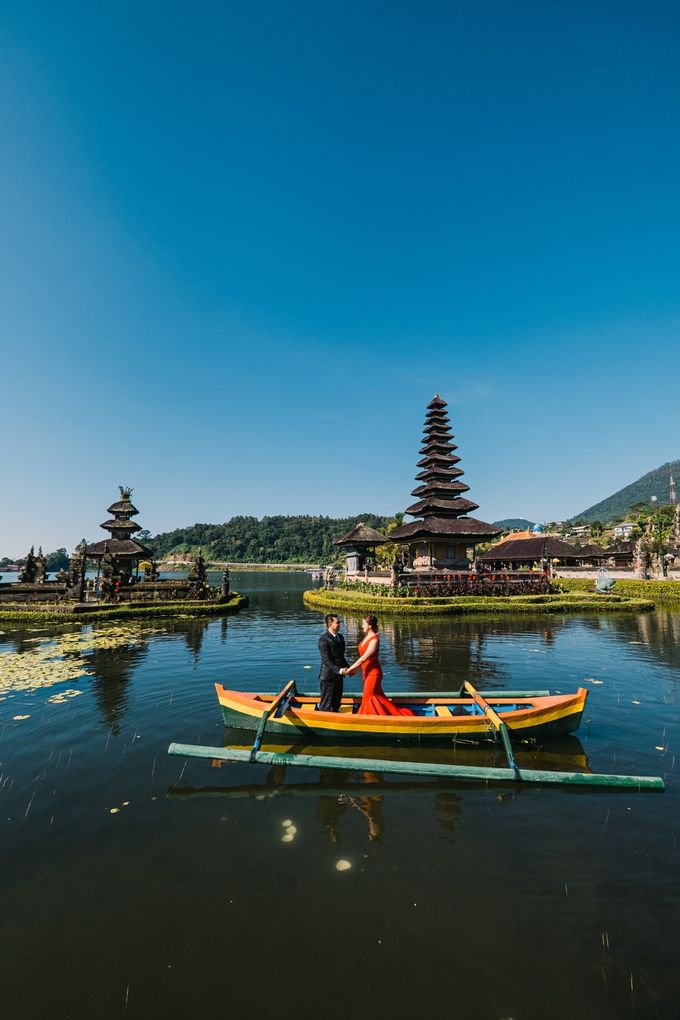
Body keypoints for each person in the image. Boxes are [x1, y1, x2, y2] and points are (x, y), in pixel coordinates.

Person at [347, 615, 413, 716]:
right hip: (366, 672)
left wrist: (351, 669)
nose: (362, 626)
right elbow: (363, 659)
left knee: (369, 697)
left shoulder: (374, 639)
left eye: (364, 624)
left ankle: (368, 718)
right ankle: (384, 715)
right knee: (377, 697)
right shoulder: (367, 637)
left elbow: (364, 658)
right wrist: (356, 670)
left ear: (369, 626)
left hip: (374, 674)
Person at [317, 614, 349, 712]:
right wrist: (339, 670)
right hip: (328, 677)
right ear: (330, 624)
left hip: (339, 676)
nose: (340, 624)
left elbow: (340, 656)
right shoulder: (323, 639)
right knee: (326, 705)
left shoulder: (341, 637)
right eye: (337, 622)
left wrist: (349, 668)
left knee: (336, 702)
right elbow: (326, 660)